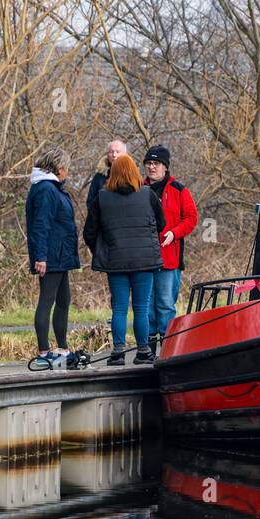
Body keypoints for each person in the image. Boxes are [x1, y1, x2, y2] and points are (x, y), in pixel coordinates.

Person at [83, 153, 167, 365]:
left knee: (119, 308)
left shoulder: (102, 197)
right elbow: (162, 223)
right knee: (141, 307)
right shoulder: (147, 194)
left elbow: (89, 232)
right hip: (144, 260)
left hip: (116, 261)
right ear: (134, 171)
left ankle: (118, 353)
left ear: (113, 174)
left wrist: (101, 250)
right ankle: (143, 352)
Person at [25, 147, 80, 368]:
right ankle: (43, 352)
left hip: (60, 255)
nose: (67, 172)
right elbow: (41, 225)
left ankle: (62, 348)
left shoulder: (51, 188)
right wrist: (41, 257)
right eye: (66, 168)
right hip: (51, 255)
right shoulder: (47, 189)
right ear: (59, 169)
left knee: (64, 300)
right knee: (47, 300)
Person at [142, 146, 199, 352]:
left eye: (155, 164)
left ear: (165, 167)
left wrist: (174, 233)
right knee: (146, 305)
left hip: (170, 259)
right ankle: (146, 349)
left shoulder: (179, 189)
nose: (151, 167)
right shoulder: (138, 188)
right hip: (144, 259)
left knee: (165, 304)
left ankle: (168, 349)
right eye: (148, 163)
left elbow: (191, 218)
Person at [86, 138, 128, 211]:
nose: (114, 155)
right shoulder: (99, 177)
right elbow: (90, 202)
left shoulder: (130, 176)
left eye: (118, 152)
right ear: (108, 155)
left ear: (125, 155)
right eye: (111, 152)